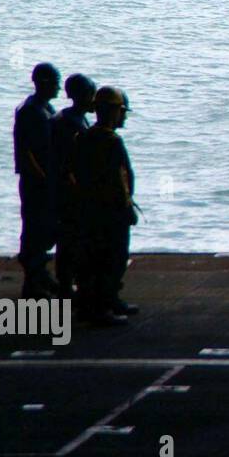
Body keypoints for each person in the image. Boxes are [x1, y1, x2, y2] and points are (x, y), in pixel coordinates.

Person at [71, 87, 138, 326]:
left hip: (89, 208)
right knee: (112, 258)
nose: (124, 117)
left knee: (93, 257)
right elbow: (120, 177)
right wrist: (128, 206)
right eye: (121, 112)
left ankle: (104, 301)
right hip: (111, 210)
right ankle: (100, 307)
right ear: (112, 112)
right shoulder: (111, 141)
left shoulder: (84, 138)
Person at [13, 62, 61, 298]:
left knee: (43, 229)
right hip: (36, 182)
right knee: (34, 230)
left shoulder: (44, 108)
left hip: (44, 179)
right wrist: (42, 179)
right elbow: (27, 152)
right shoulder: (31, 111)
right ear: (43, 83)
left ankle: (39, 276)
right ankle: (33, 282)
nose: (58, 87)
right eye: (54, 82)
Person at [51, 73, 97, 298]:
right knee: (71, 240)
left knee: (72, 239)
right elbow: (66, 162)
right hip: (71, 192)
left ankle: (70, 284)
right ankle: (67, 286)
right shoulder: (69, 122)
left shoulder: (73, 118)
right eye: (90, 94)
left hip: (72, 190)